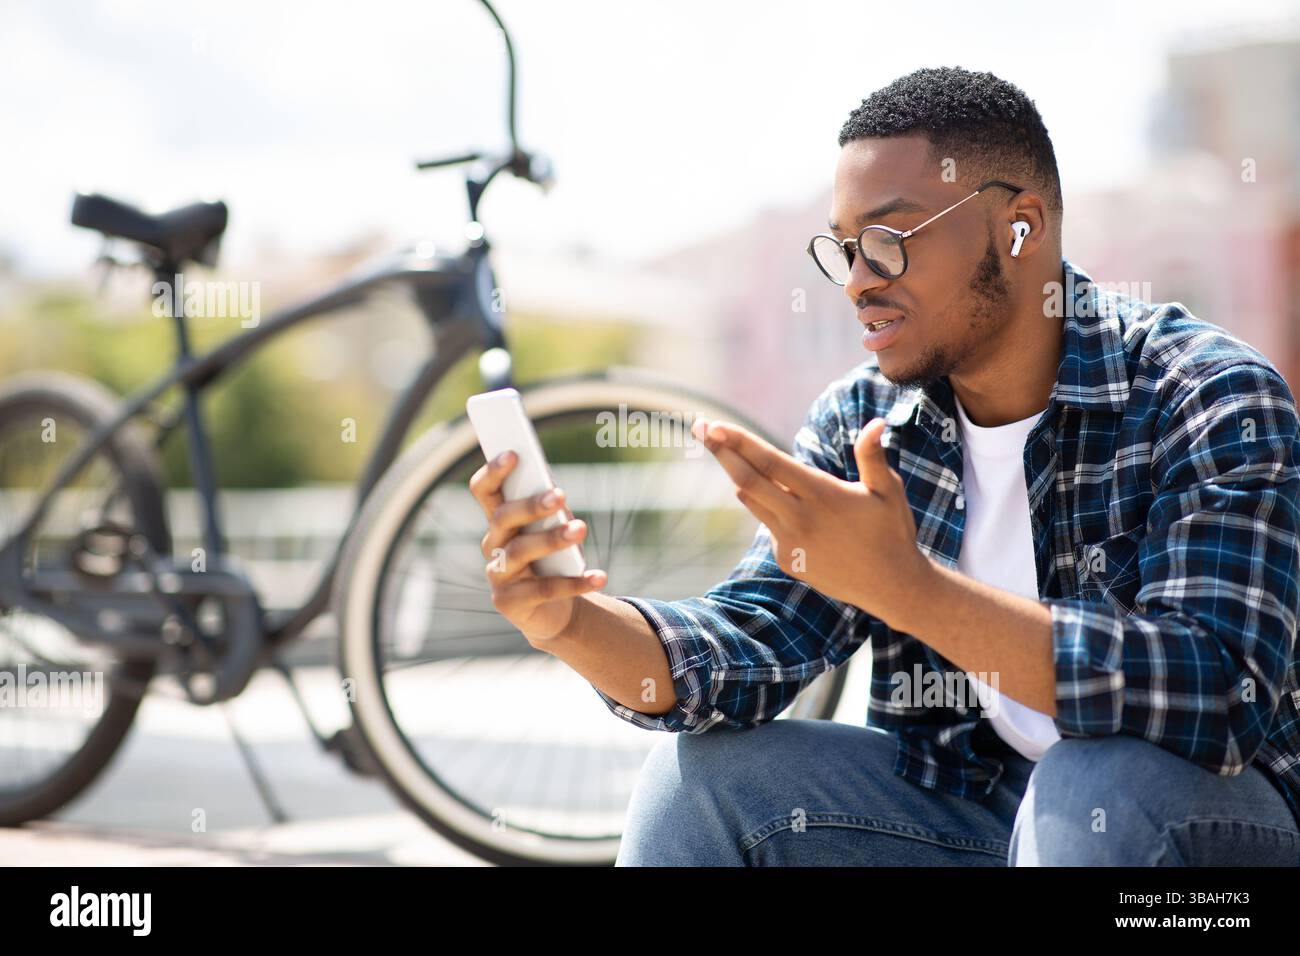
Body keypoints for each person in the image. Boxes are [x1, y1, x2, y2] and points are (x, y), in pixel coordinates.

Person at [469, 66, 1300, 866]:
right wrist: (568, 621)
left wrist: (912, 590)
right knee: (704, 782)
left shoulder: (1207, 393)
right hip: (982, 814)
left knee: (1099, 779)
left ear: (1021, 226)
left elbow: (1222, 698)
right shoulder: (868, 422)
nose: (858, 282)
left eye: (887, 242)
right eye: (841, 251)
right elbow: (743, 646)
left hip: (1202, 825)